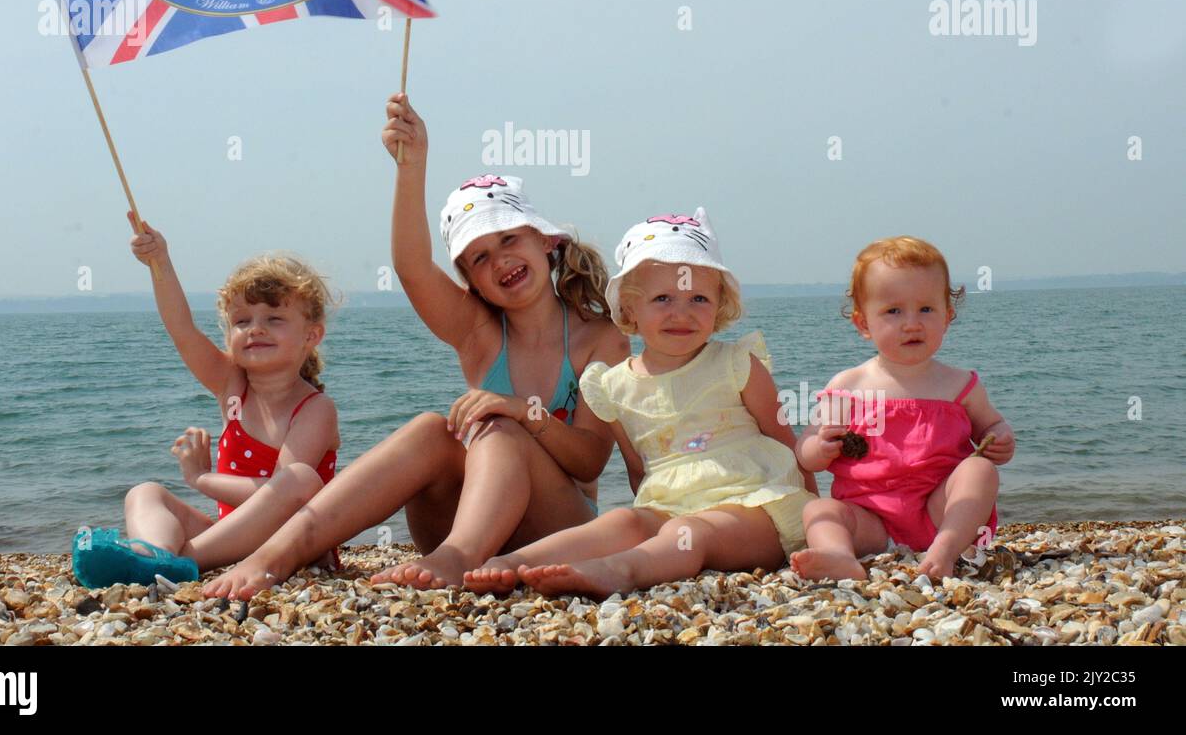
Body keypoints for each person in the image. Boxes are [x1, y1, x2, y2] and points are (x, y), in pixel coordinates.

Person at [199, 95, 629, 598]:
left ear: (545, 241)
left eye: (510, 240)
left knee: (499, 427)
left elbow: (591, 461)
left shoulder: (600, 338)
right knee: (432, 429)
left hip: (554, 532)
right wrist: (412, 163)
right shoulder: (478, 334)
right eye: (479, 257)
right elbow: (411, 267)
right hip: (459, 520)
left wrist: (521, 411)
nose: (501, 261)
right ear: (472, 282)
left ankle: (456, 559)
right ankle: (277, 553)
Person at [464, 209, 816, 601]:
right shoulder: (614, 386)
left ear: (719, 306)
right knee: (625, 520)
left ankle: (621, 569)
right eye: (662, 298)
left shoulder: (736, 364)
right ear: (630, 309)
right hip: (669, 507)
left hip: (755, 511)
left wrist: (813, 521)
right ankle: (512, 563)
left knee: (691, 533)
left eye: (698, 298)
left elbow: (789, 447)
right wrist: (646, 522)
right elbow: (638, 472)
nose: (680, 312)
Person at [70, 214, 340, 588]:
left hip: (293, 544)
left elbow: (282, 493)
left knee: (298, 478)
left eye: (274, 318)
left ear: (312, 335)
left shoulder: (315, 408)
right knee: (145, 492)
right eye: (242, 320)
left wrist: (200, 478)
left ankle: (181, 560)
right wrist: (160, 263)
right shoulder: (232, 384)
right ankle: (151, 556)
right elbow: (181, 328)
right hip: (229, 539)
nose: (255, 328)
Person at [791, 236, 1015, 583]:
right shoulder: (848, 386)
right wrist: (819, 448)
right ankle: (839, 555)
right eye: (893, 311)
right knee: (818, 510)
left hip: (938, 511)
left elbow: (992, 425)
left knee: (980, 472)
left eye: (926, 309)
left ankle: (946, 548)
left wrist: (999, 438)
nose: (912, 323)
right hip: (869, 519)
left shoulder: (960, 385)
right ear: (863, 323)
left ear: (948, 317)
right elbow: (804, 452)